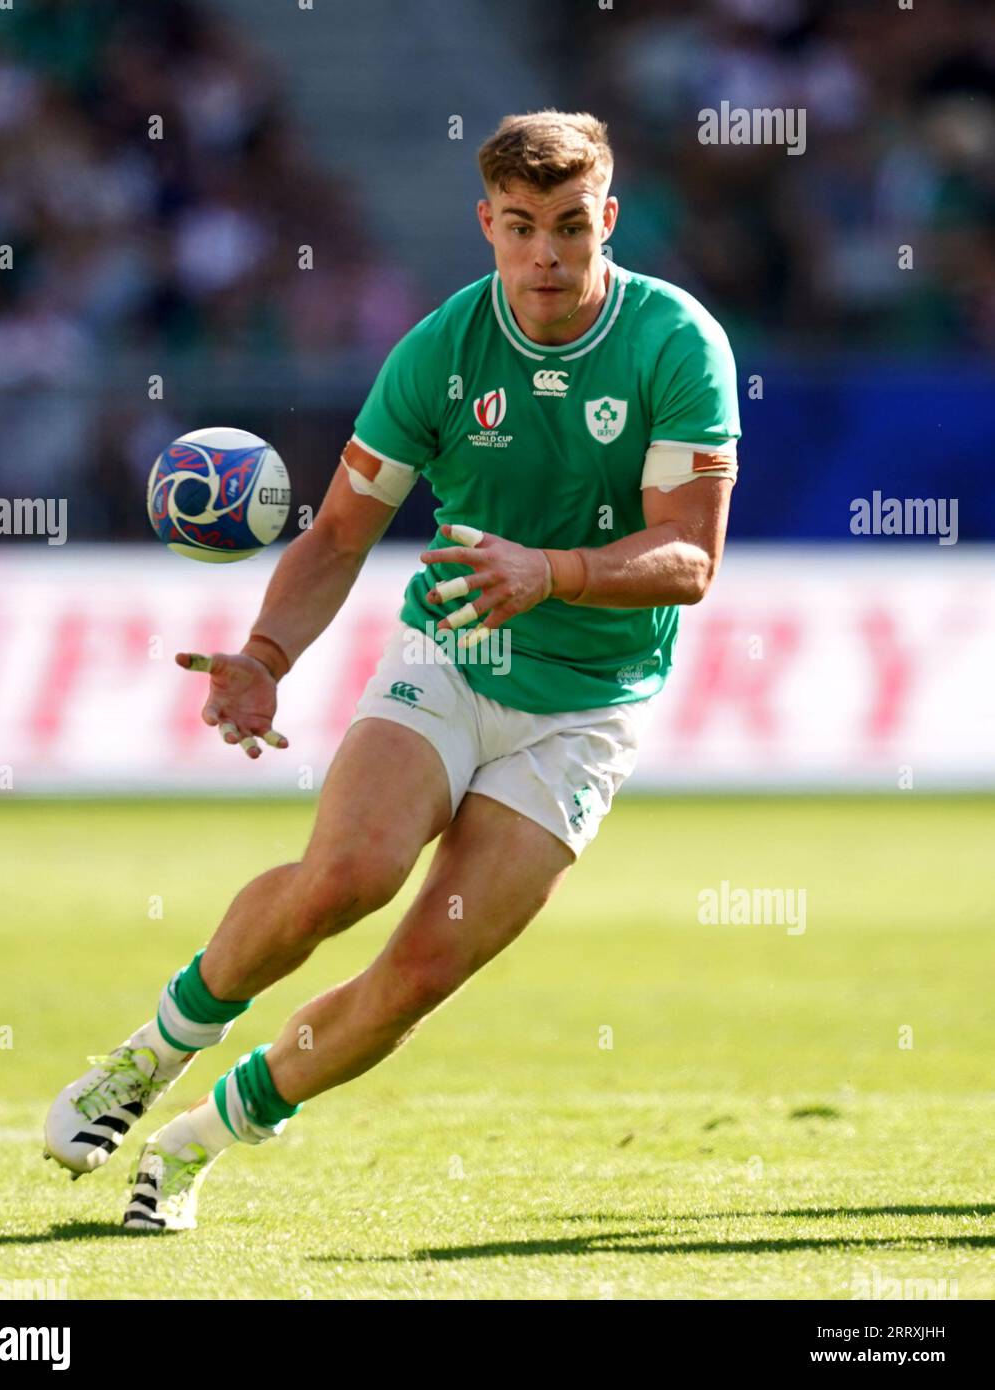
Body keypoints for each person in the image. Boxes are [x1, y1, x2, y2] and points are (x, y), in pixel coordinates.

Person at [44, 109, 741, 1230]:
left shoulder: (675, 342)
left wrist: (551, 571)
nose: (547, 255)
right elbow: (332, 537)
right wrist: (265, 658)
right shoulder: (439, 351)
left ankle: (198, 1140)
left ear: (607, 217)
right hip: (451, 657)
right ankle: (147, 1054)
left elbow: (687, 558)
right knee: (346, 875)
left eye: (570, 226)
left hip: (587, 708)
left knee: (420, 970)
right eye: (520, 229)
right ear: (487, 228)